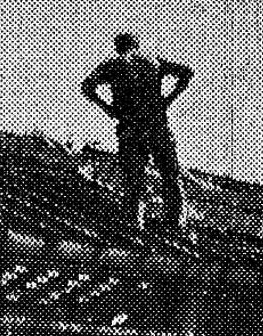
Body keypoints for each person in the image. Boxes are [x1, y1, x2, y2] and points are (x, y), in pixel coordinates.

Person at [81, 34, 192, 229]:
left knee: (134, 178)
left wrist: (107, 108)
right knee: (170, 175)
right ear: (137, 46)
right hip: (157, 126)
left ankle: (134, 223)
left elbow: (87, 86)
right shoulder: (154, 61)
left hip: (130, 128)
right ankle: (176, 222)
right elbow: (187, 73)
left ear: (117, 47)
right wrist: (168, 100)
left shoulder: (112, 65)